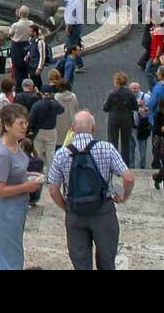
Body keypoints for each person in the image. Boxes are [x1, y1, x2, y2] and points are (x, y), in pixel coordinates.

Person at [48, 110, 132, 270]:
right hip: (103, 211)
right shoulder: (107, 148)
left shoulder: (61, 154)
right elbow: (128, 178)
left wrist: (66, 207)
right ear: (93, 128)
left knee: (81, 262)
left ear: (72, 128)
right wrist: (124, 196)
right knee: (107, 261)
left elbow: (53, 190)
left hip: (75, 212)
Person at [0, 102, 43, 269]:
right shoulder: (3, 153)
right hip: (6, 210)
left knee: (5, 254)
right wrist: (27, 187)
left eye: (25, 122)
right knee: (11, 258)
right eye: (20, 123)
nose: (25, 127)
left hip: (16, 207)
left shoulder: (15, 144)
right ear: (7, 126)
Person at [102, 73, 137, 167]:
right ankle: (125, 165)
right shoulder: (130, 93)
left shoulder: (112, 93)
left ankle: (113, 164)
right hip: (126, 119)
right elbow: (135, 107)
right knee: (126, 144)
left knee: (113, 142)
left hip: (114, 118)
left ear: (116, 82)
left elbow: (105, 108)